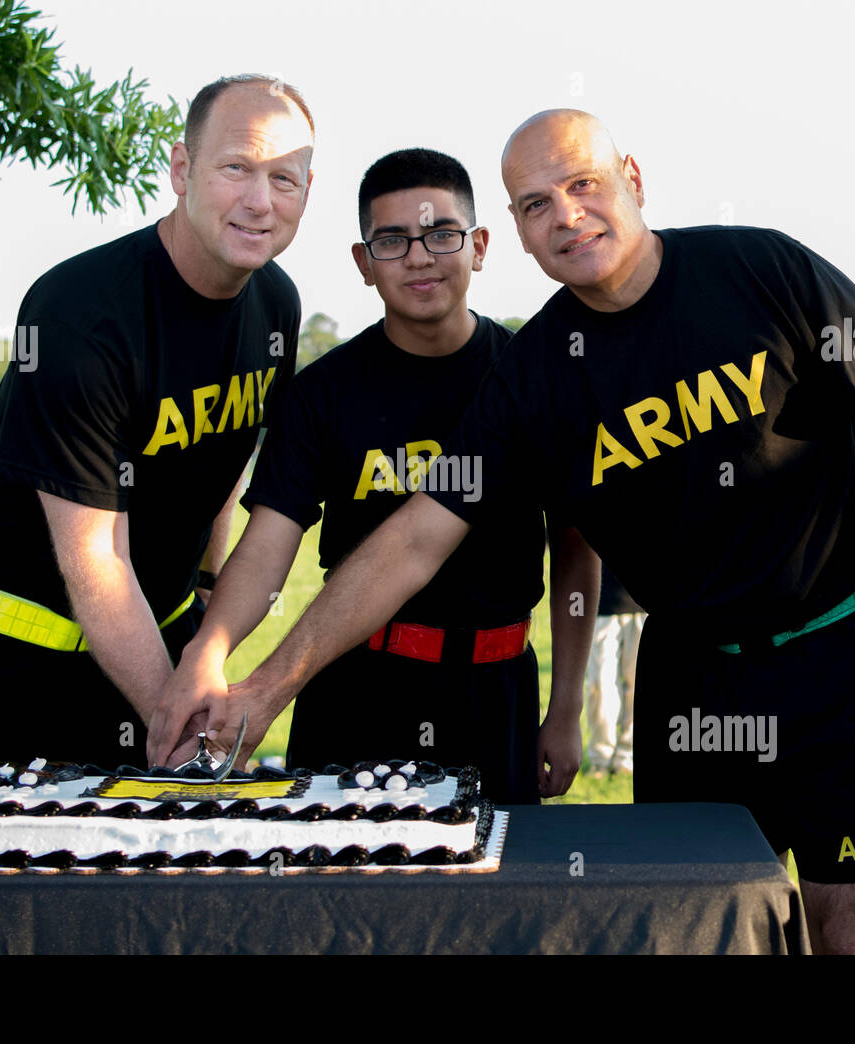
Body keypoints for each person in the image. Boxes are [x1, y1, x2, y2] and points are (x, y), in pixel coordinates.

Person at [203, 109, 855, 955]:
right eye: (537, 203)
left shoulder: (765, 265)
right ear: (513, 231)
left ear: (634, 179)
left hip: (844, 644)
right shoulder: (532, 376)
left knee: (849, 920)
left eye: (583, 185)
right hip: (694, 676)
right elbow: (414, 540)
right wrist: (266, 687)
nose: (567, 214)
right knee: (705, 927)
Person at [0, 75, 315, 788]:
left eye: (284, 179)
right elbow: (95, 559)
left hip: (153, 649)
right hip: (3, 669)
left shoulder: (275, 301)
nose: (259, 201)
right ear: (182, 170)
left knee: (143, 897)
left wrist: (206, 589)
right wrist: (179, 728)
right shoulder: (80, 312)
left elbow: (220, 457)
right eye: (235, 167)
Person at [147, 149, 596, 803]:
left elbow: (576, 547)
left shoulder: (532, 378)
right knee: (340, 897)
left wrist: (566, 707)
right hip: (356, 687)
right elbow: (269, 543)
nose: (419, 257)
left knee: (492, 895)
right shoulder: (324, 393)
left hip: (497, 689)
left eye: (441, 234)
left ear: (478, 246)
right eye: (392, 240)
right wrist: (209, 650)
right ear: (364, 263)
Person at [584, 563, 642, 776]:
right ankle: (601, 757)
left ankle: (627, 756)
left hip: (642, 604)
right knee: (599, 683)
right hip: (603, 603)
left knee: (637, 685)